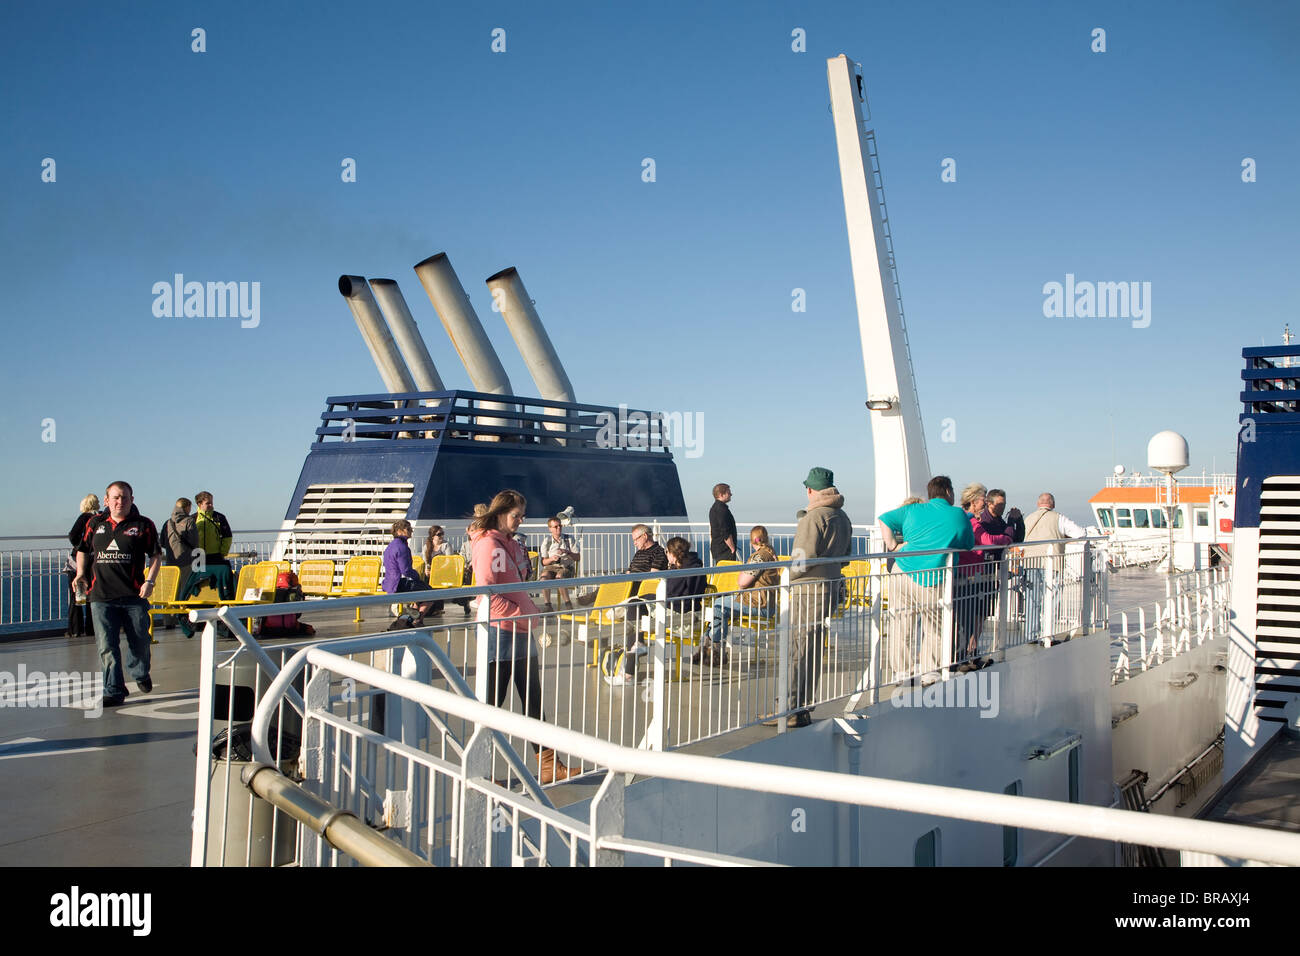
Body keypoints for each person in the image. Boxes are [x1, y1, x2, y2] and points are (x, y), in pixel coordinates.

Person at [471, 490, 577, 783]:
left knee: (532, 697)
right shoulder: (489, 544)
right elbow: (487, 593)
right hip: (501, 633)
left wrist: (527, 613)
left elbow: (515, 583)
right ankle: (480, 768)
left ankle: (549, 765)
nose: (520, 521)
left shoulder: (508, 544)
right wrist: (522, 614)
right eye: (516, 515)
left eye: (522, 516)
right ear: (501, 512)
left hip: (519, 631)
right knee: (494, 702)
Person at [877, 475, 975, 687]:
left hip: (901, 572)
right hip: (931, 577)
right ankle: (930, 673)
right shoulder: (958, 513)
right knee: (935, 626)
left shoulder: (913, 510)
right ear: (948, 492)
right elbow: (968, 543)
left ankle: (902, 673)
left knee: (900, 624)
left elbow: (884, 518)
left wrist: (893, 545)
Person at [72, 481, 161, 707]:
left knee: (140, 641)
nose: (120, 501)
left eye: (125, 497)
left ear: (132, 499)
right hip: (101, 596)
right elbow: (82, 549)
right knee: (106, 646)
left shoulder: (143, 525)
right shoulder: (95, 523)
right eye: (115, 497)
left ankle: (140, 672)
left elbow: (156, 556)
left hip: (133, 596)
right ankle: (113, 689)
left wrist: (150, 581)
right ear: (106, 500)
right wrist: (81, 573)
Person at [776, 468, 853, 727]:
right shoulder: (842, 517)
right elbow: (846, 556)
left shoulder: (812, 518)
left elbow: (801, 560)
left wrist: (783, 578)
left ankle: (789, 709)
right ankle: (804, 705)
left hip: (808, 590)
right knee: (814, 647)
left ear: (810, 490)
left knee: (798, 647)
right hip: (829, 587)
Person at [610, 537, 706, 684]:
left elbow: (677, 596)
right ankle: (632, 661)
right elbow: (671, 595)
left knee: (634, 609)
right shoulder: (684, 567)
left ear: (673, 553)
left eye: (667, 552)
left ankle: (629, 673)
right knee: (636, 607)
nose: (666, 555)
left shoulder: (686, 570)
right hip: (674, 609)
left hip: (683, 618)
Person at [699, 525, 781, 659]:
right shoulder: (771, 554)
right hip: (768, 603)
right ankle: (709, 645)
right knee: (722, 607)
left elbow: (742, 582)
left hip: (758, 604)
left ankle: (713, 647)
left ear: (752, 541)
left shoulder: (759, 557)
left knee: (718, 605)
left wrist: (742, 578)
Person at [1020, 493, 1089, 641]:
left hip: (1030, 562)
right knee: (1052, 599)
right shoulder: (1058, 518)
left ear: (1038, 503)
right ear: (1053, 504)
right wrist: (1063, 539)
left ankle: (1031, 635)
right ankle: (1047, 634)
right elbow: (1081, 533)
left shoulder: (1029, 518)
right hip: (1052, 563)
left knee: (1032, 600)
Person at [383, 520, 437, 627]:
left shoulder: (391, 546)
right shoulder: (401, 547)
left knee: (420, 591)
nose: (411, 531)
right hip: (399, 584)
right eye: (408, 529)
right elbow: (405, 570)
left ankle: (411, 617)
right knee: (431, 594)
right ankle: (418, 619)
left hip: (390, 583)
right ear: (399, 531)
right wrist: (416, 576)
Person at [64, 494, 100, 638]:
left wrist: (81, 547)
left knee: (76, 597)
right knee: (93, 594)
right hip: (94, 560)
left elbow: (73, 535)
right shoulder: (101, 518)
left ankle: (75, 629)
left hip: (77, 561)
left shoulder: (84, 517)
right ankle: (92, 628)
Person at [159, 498, 197, 629]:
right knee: (186, 590)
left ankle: (168, 621)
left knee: (171, 593)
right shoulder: (189, 521)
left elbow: (162, 542)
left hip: (171, 562)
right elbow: (194, 542)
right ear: (186, 508)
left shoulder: (167, 523)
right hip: (186, 561)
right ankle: (186, 620)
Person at [192, 491, 234, 600]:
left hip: (215, 555)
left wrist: (223, 552)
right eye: (208, 503)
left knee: (217, 581)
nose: (211, 505)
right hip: (198, 556)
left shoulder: (219, 517)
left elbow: (227, 536)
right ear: (199, 504)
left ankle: (222, 602)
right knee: (199, 582)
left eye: (211, 503)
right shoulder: (193, 519)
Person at [536, 517, 579, 611]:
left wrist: (567, 552)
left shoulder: (569, 539)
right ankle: (548, 605)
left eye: (560, 525)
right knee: (543, 578)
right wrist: (552, 558)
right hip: (551, 567)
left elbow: (578, 557)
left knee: (559, 577)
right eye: (555, 526)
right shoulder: (547, 541)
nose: (558, 528)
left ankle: (568, 604)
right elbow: (543, 562)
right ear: (550, 529)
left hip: (566, 567)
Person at [421, 524, 452, 616]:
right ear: (432, 536)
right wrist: (427, 570)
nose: (442, 536)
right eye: (439, 534)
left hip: (443, 572)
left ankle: (437, 607)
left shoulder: (446, 545)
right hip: (431, 572)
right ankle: (424, 605)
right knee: (424, 581)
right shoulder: (426, 547)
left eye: (442, 534)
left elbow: (449, 561)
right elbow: (425, 561)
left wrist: (437, 571)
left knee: (437, 582)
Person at [709, 483, 739, 564]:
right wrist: (732, 548)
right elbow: (725, 531)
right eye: (728, 493)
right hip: (724, 550)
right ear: (721, 495)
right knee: (727, 573)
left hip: (718, 548)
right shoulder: (721, 510)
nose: (731, 494)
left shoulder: (714, 508)